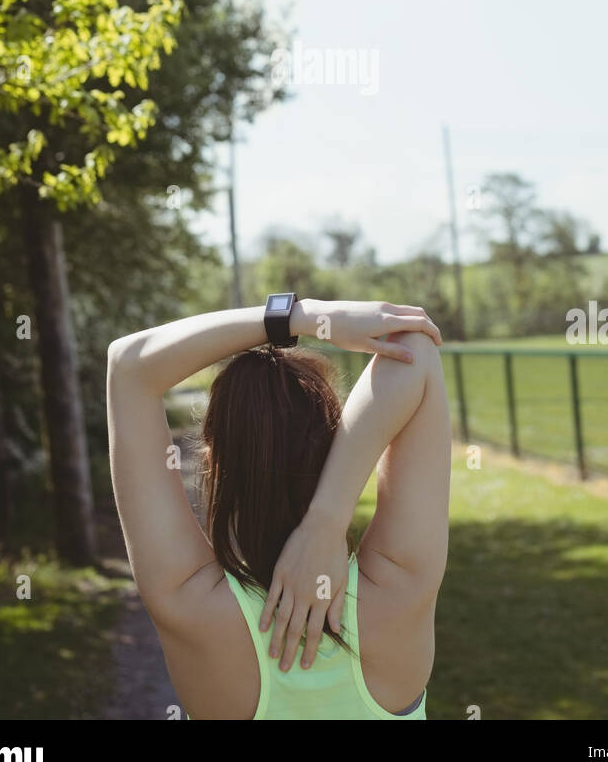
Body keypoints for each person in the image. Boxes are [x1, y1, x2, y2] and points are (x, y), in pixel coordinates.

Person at [107, 297, 451, 719]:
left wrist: (296, 315)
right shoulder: (399, 586)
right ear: (336, 448)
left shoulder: (187, 602)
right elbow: (415, 345)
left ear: (212, 462)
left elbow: (128, 365)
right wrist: (324, 522)